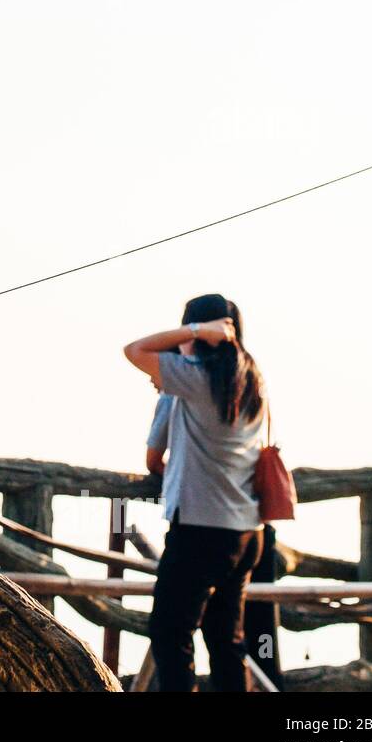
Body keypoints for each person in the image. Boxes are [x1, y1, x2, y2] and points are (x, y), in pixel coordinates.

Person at [124, 293, 266, 692]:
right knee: (227, 642)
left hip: (200, 531)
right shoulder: (252, 378)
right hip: (246, 533)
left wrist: (195, 333)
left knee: (171, 635)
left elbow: (134, 350)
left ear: (204, 333)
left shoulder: (195, 376)